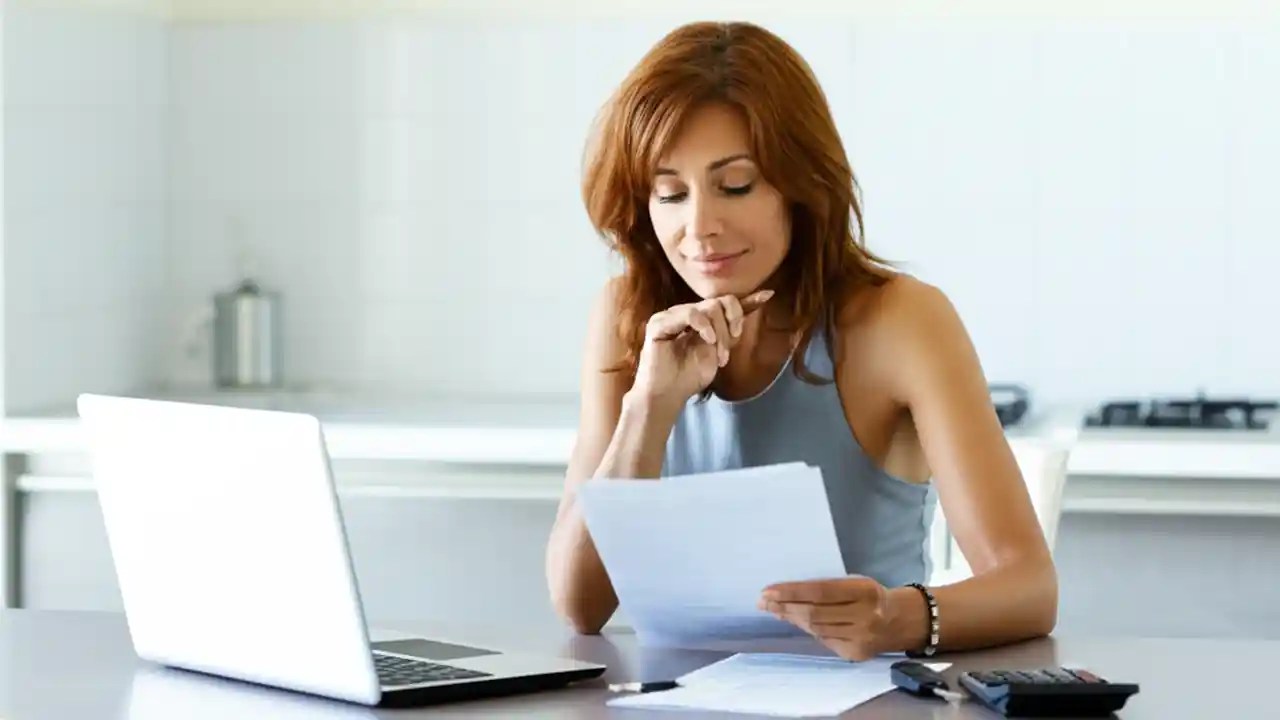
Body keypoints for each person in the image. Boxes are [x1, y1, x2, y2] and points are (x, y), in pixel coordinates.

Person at [544, 20, 1057, 660]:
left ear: (802, 185)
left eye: (735, 185)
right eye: (670, 193)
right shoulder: (628, 316)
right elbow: (580, 606)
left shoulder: (901, 322)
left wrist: (894, 617)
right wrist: (648, 409)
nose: (698, 227)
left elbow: (1029, 587)